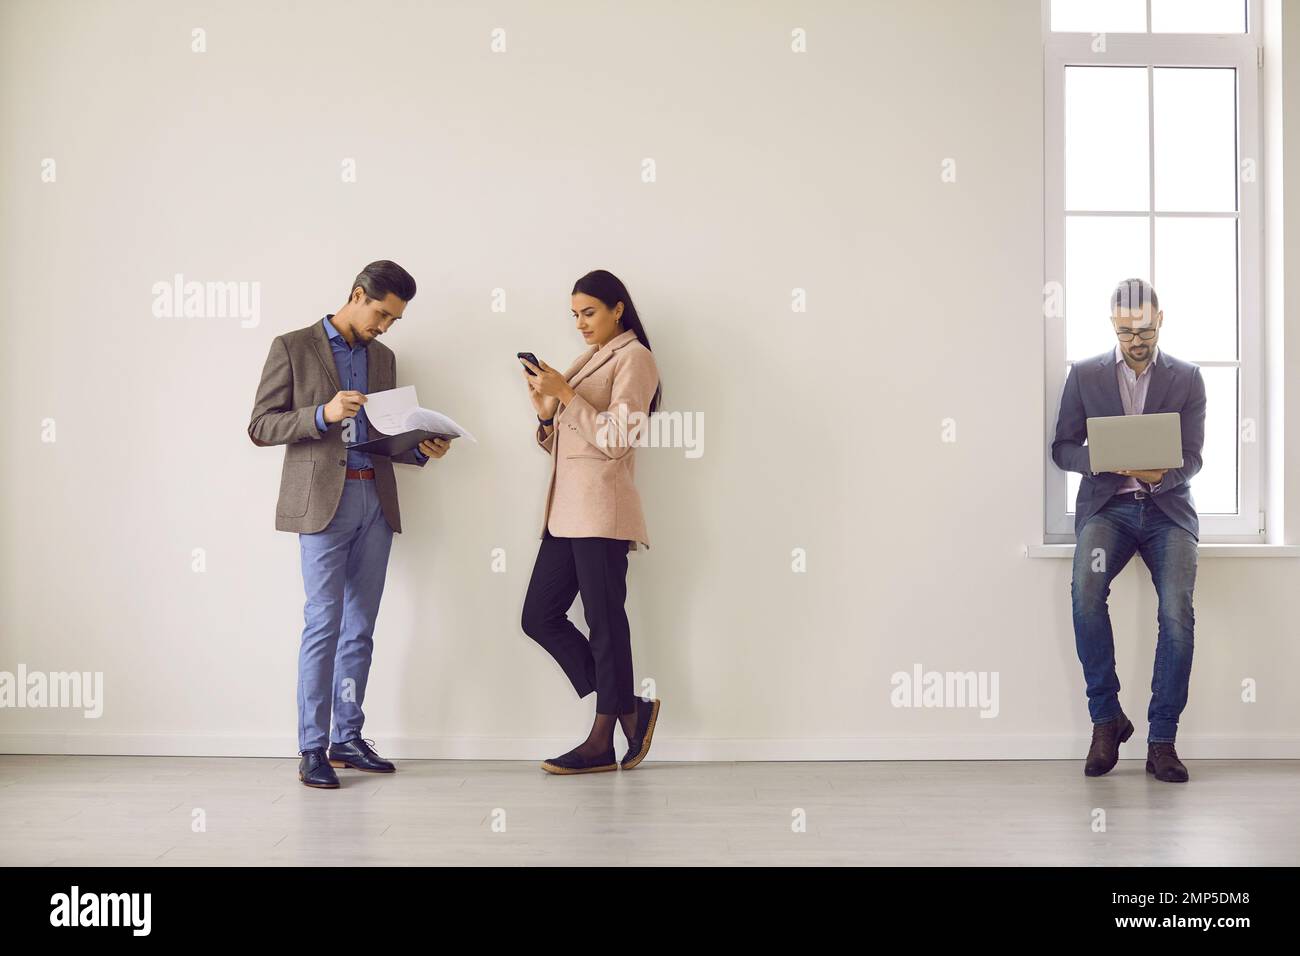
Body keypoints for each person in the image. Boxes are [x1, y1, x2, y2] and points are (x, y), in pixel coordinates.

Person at [247, 260, 451, 789]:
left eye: (394, 320)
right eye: (381, 314)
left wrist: (420, 449)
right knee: (324, 623)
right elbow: (261, 426)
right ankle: (312, 747)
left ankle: (347, 737)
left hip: (375, 501)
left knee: (360, 628)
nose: (385, 327)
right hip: (322, 505)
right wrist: (323, 413)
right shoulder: (292, 347)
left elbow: (383, 435)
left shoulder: (384, 358)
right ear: (357, 295)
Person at [1051, 277, 1206, 783]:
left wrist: (1164, 475)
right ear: (1112, 325)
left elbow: (1194, 457)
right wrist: (1100, 458)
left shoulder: (1188, 378)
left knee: (1176, 611)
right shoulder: (1085, 375)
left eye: (1144, 330)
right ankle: (1106, 720)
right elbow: (1062, 449)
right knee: (1085, 593)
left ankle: (1162, 740)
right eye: (1124, 331)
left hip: (1167, 512)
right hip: (1109, 509)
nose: (1135, 341)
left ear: (1160, 319)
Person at [518, 269, 663, 774]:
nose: (580, 323)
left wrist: (566, 394)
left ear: (617, 309)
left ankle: (602, 739)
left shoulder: (635, 358)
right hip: (566, 514)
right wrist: (546, 413)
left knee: (604, 624)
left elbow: (617, 439)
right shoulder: (592, 358)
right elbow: (571, 443)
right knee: (539, 616)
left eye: (589, 312)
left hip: (602, 511)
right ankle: (628, 707)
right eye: (575, 315)